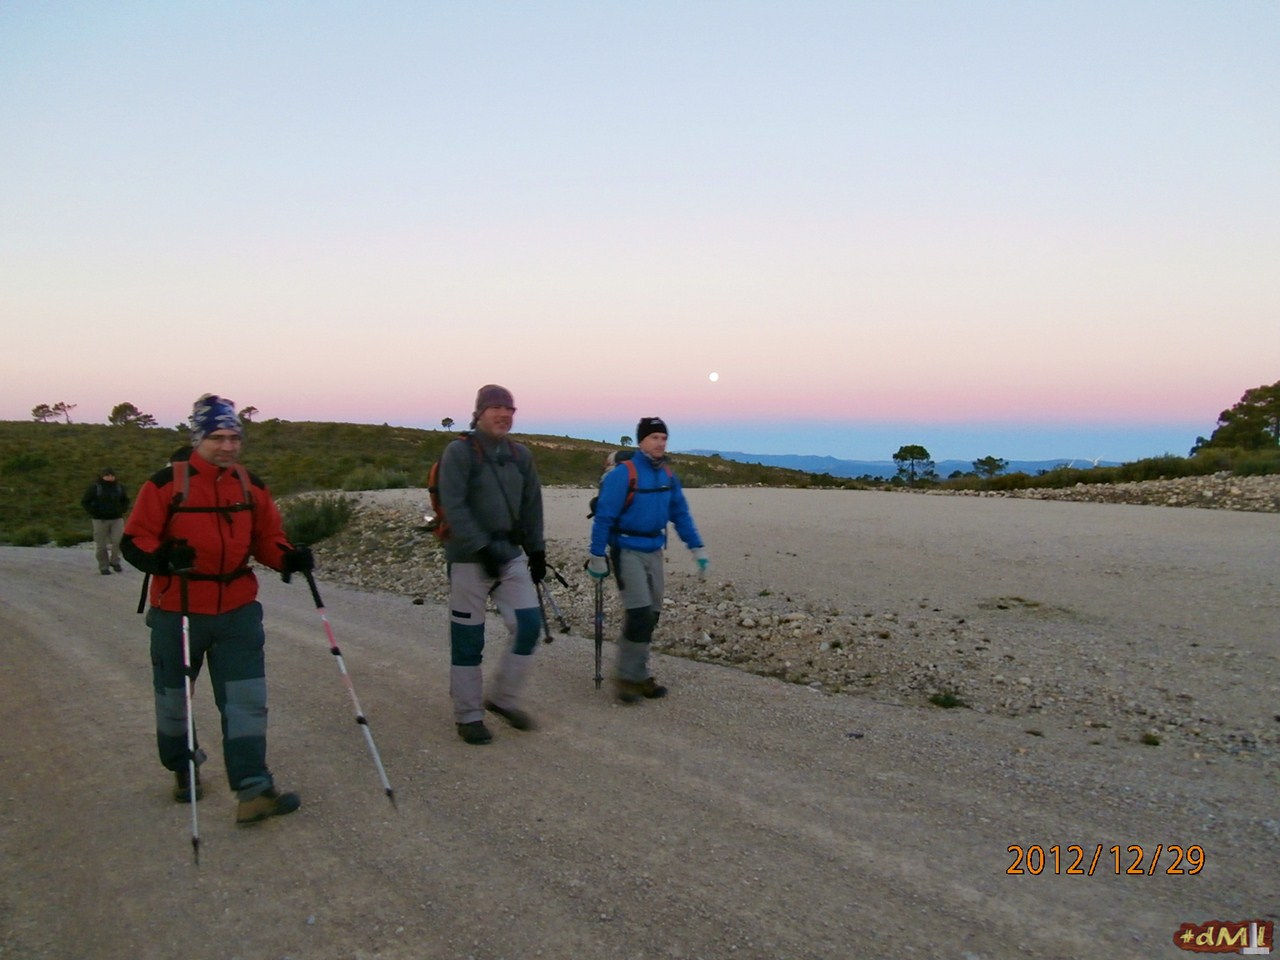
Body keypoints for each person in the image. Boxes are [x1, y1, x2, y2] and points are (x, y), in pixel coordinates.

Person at [122, 394, 314, 823]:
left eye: (234, 437)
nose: (227, 446)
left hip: (237, 611)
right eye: (217, 437)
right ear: (198, 439)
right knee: (175, 699)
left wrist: (287, 558)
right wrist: (164, 559)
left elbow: (268, 538)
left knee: (246, 702)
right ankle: (182, 767)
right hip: (179, 610)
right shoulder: (164, 484)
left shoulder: (251, 486)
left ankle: (254, 791)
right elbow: (134, 541)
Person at [437, 384, 546, 744]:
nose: (504, 414)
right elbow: (454, 504)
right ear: (479, 413)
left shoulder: (521, 456)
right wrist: (481, 546)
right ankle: (468, 716)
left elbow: (532, 506)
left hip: (510, 554)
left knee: (529, 626)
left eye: (509, 408)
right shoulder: (459, 452)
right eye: (496, 407)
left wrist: (536, 551)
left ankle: (502, 698)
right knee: (468, 639)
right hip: (469, 559)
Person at [587, 417, 709, 703]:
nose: (660, 443)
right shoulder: (624, 474)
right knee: (639, 614)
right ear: (641, 441)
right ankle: (628, 679)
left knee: (650, 616)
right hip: (625, 549)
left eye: (663, 438)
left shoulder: (666, 476)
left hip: (654, 549)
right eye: (654, 437)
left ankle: (638, 675)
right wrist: (596, 555)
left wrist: (697, 548)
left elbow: (680, 514)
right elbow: (604, 517)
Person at [81, 467, 130, 574]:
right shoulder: (95, 488)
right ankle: (103, 566)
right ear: (102, 476)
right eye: (107, 475)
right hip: (100, 520)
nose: (110, 478)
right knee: (101, 545)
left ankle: (115, 561)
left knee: (119, 541)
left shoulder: (119, 488)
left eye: (112, 475)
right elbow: (85, 501)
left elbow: (125, 500)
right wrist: (94, 512)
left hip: (117, 519)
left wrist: (122, 510)